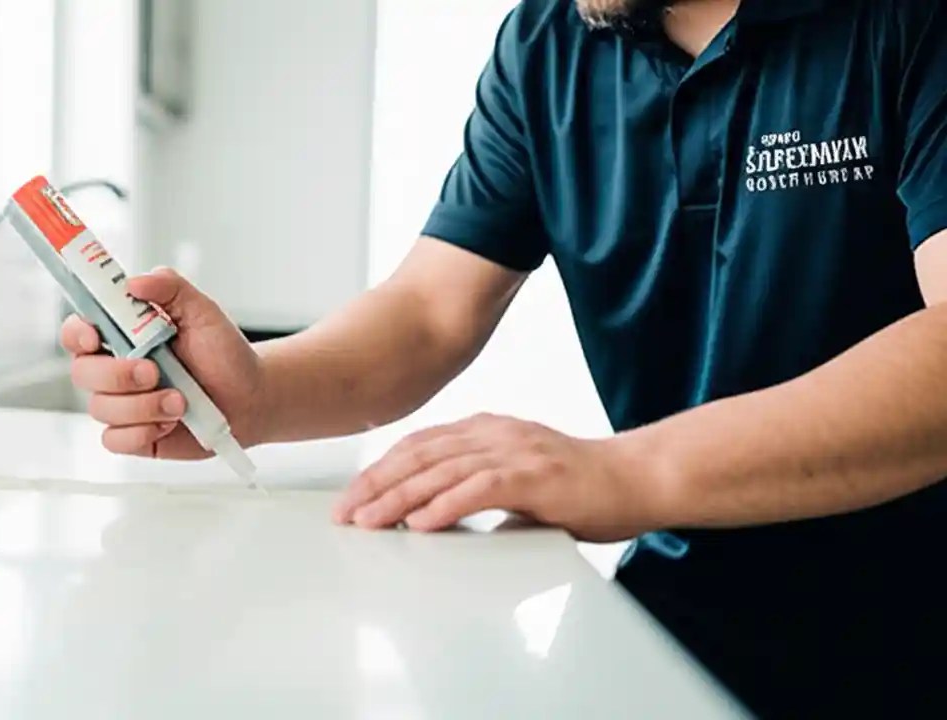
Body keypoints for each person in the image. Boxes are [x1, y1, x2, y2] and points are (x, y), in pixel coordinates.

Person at [61, 0, 947, 716]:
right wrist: (255, 390)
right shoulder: (549, 41)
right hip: (680, 615)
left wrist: (618, 473)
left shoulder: (910, 23)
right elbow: (428, 312)